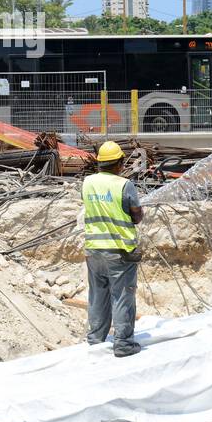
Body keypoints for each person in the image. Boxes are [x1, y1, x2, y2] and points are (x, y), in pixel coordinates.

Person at [82, 141, 144, 357]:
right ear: (119, 163)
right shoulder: (124, 185)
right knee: (122, 295)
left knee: (98, 296)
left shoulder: (87, 183)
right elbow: (136, 216)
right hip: (119, 250)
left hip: (94, 249)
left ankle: (96, 340)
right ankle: (123, 344)